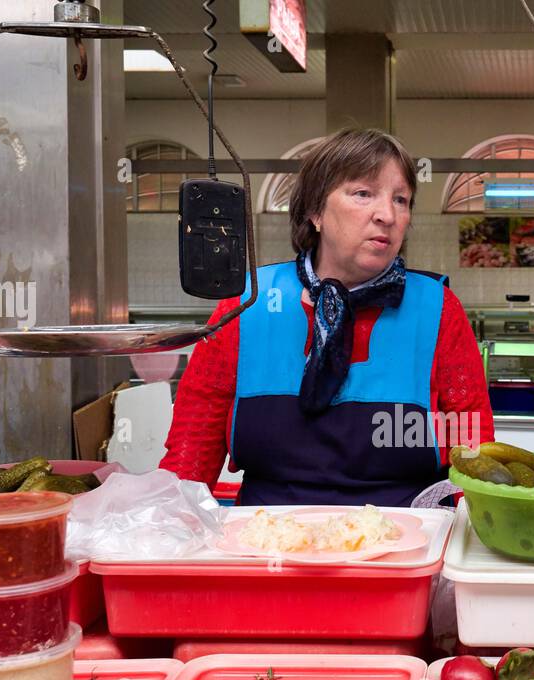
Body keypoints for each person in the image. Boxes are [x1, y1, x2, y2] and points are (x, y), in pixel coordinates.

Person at [161, 128, 494, 506]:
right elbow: (191, 455)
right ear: (315, 212)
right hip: (266, 542)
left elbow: (474, 452)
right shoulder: (247, 305)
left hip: (409, 544)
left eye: (401, 200)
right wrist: (170, 528)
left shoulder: (438, 309)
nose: (387, 215)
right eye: (363, 193)